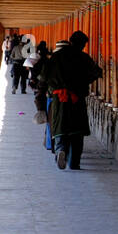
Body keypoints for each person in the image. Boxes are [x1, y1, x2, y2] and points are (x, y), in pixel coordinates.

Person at [41, 30, 102, 170]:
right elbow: (96, 72)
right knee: (76, 131)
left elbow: (44, 76)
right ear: (81, 44)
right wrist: (84, 81)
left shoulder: (56, 57)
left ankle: (61, 149)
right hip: (77, 98)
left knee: (60, 126)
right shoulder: (83, 57)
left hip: (59, 98)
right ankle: (74, 162)